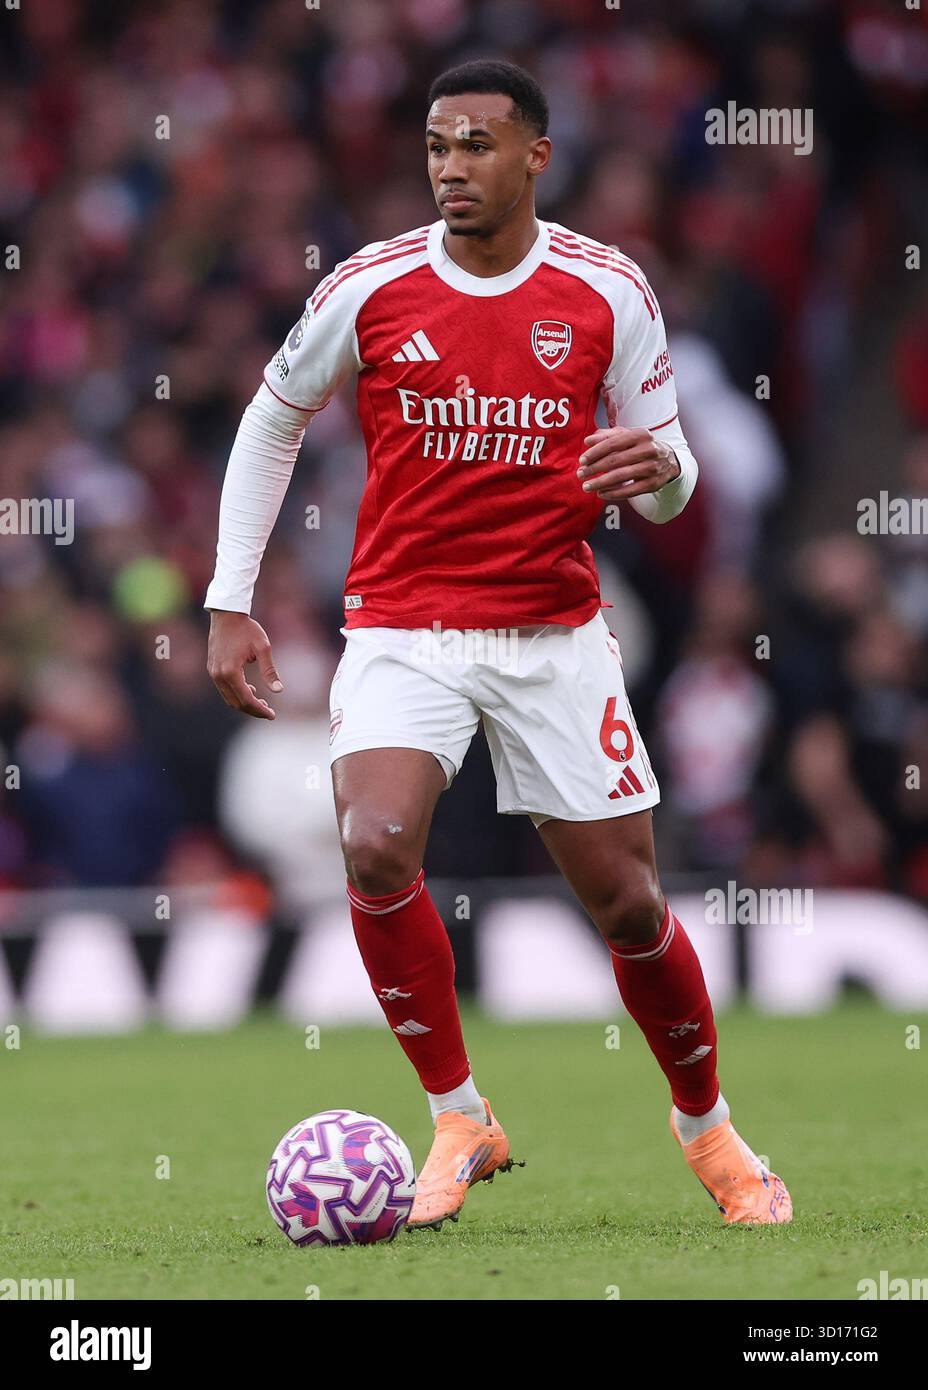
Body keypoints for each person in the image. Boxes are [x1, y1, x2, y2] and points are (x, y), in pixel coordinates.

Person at [205, 60, 791, 1230]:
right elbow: (274, 414)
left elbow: (669, 483)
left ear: (536, 156)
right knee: (373, 848)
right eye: (435, 146)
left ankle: (708, 1130)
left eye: (477, 144)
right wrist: (229, 596)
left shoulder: (607, 290)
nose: (450, 168)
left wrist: (662, 473)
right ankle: (460, 1114)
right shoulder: (369, 287)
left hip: (553, 631)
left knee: (626, 904)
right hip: (403, 627)